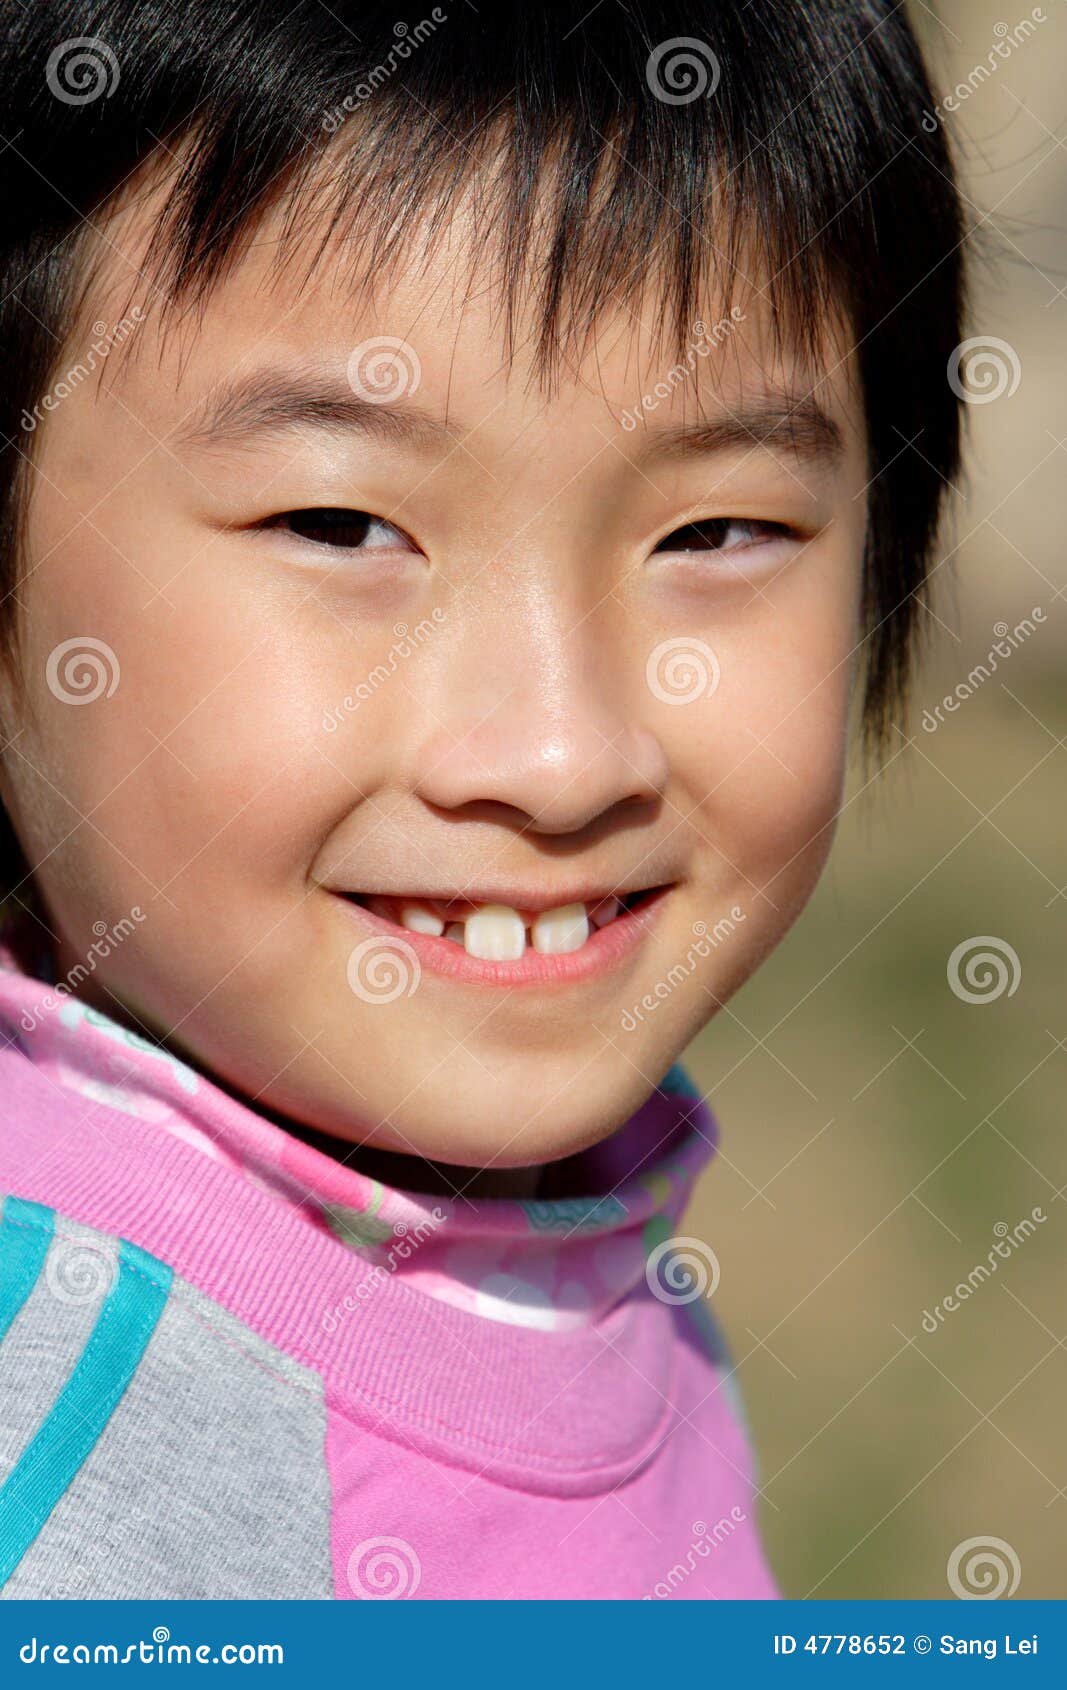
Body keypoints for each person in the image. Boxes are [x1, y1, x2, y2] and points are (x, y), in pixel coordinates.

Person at [0, 1, 965, 1598]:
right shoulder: (71, 1449)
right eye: (340, 525)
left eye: (716, 531)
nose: (561, 754)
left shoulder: (575, 1242)